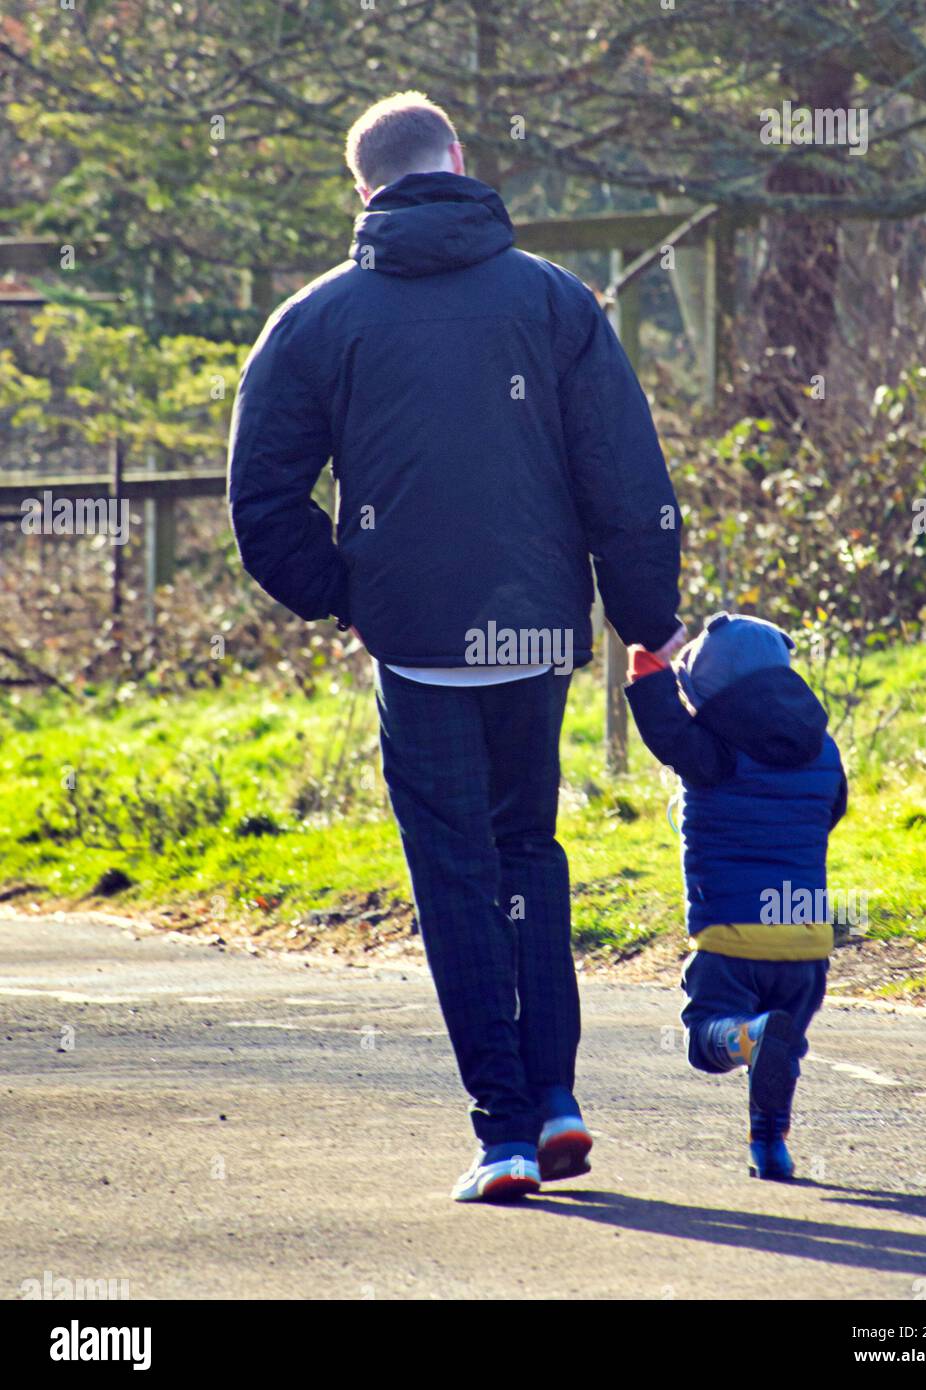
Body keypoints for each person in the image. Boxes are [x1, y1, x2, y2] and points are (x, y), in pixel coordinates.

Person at [227, 91, 685, 1202]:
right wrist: (648, 622)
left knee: (455, 877)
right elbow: (623, 479)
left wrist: (349, 595)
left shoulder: (316, 320)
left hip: (416, 642)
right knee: (527, 855)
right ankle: (560, 1097)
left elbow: (263, 502)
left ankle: (506, 1130)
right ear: (459, 161)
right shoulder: (553, 301)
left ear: (364, 190)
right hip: (533, 635)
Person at [624, 613, 847, 1180]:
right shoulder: (822, 751)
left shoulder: (712, 753)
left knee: (709, 1037)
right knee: (782, 1049)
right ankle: (769, 1147)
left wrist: (647, 669)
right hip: (805, 944)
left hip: (730, 936)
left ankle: (742, 1037)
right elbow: (831, 812)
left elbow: (664, 729)